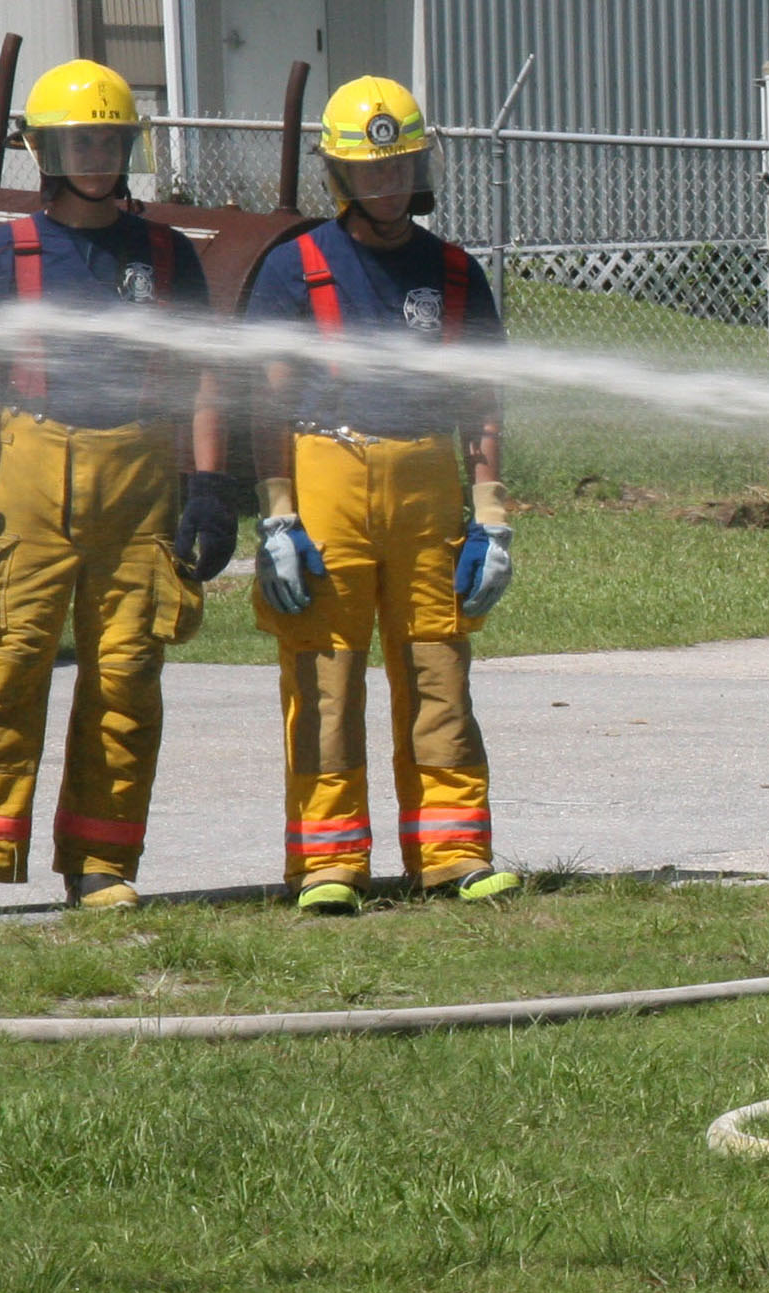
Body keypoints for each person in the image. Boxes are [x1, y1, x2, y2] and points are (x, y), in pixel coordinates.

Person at [0, 58, 237, 920]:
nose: (97, 154)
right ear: (45, 150)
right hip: (28, 471)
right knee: (5, 666)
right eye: (80, 140)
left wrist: (208, 487)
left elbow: (202, 378)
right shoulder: (6, 251)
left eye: (109, 138)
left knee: (127, 676)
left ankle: (101, 861)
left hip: (138, 481)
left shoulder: (167, 257)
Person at [244, 75, 522, 916]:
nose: (387, 182)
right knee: (325, 673)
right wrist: (279, 514)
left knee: (437, 667)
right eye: (370, 169)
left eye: (400, 164)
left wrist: (492, 513)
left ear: (419, 165)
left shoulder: (455, 273)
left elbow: (482, 399)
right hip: (325, 474)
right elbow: (267, 394)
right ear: (338, 173)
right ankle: (328, 864)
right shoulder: (295, 267)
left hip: (427, 484)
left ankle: (454, 852)